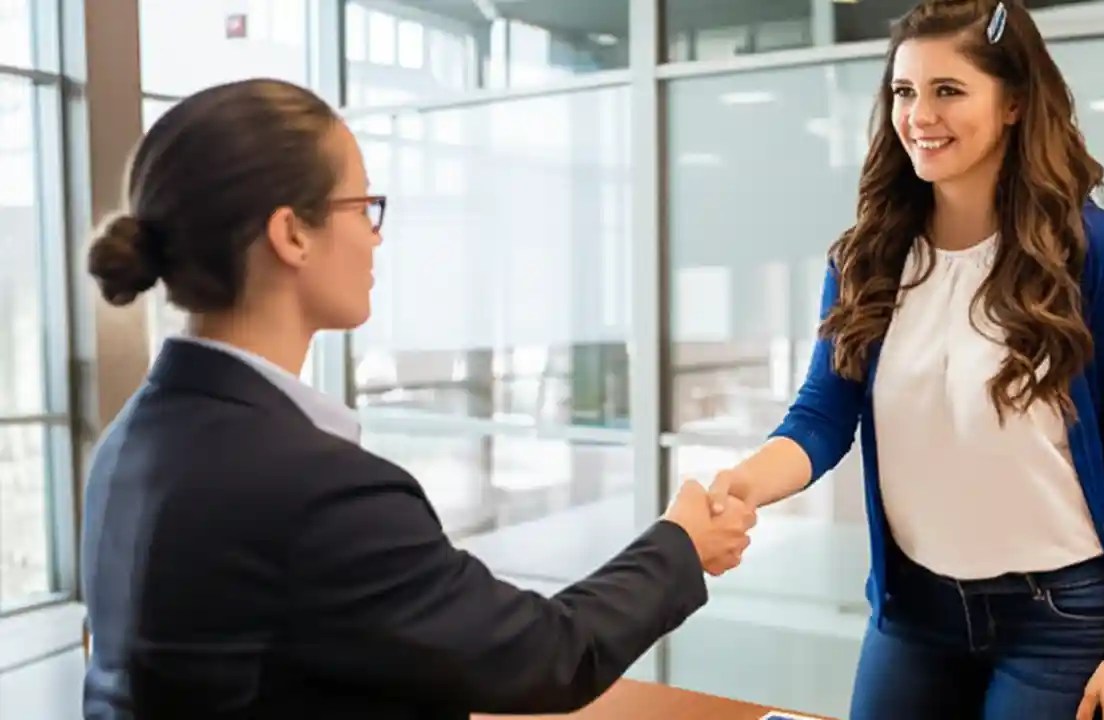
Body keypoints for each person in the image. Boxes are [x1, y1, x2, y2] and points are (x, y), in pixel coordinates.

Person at [81, 78, 756, 720]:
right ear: (291, 234)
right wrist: (683, 545)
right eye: (362, 207)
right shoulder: (313, 488)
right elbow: (544, 653)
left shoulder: (130, 443)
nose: (376, 236)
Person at [706, 2, 1104, 719]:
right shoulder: (867, 256)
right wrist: (743, 483)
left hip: (1059, 619)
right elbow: (823, 415)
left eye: (948, 90)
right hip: (914, 610)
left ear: (1014, 101)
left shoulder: (1095, 255)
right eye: (904, 92)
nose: (919, 114)